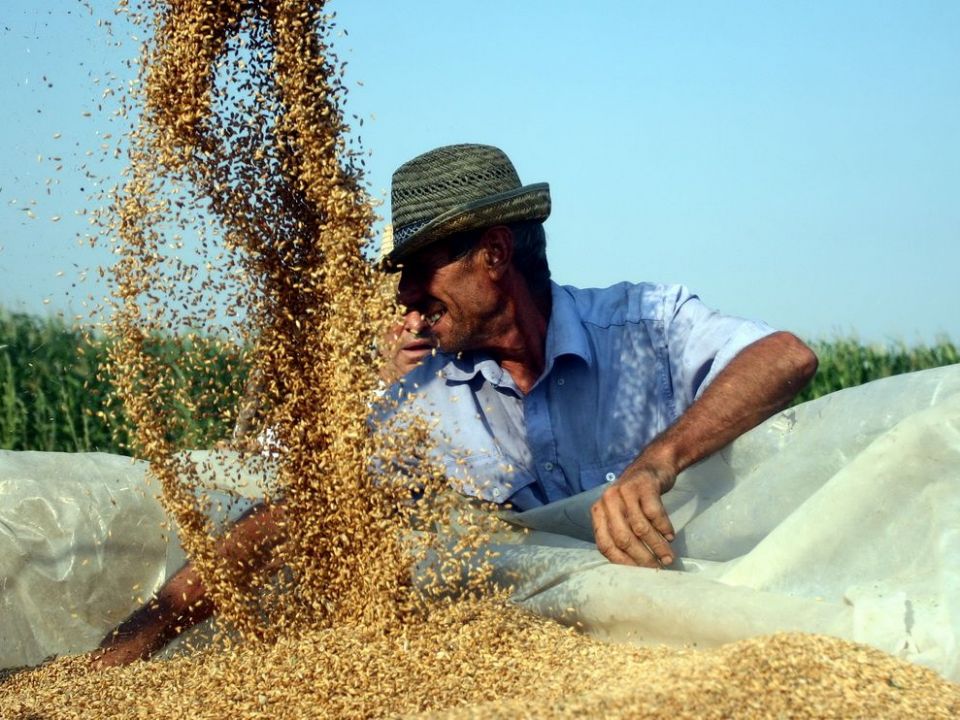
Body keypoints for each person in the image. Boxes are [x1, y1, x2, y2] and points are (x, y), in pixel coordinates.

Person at [94, 143, 816, 666]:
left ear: (494, 256)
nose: (404, 295)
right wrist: (130, 645)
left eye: (417, 269)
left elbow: (784, 357)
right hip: (546, 668)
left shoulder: (642, 327)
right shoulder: (418, 397)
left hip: (708, 633)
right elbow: (291, 513)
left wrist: (655, 463)